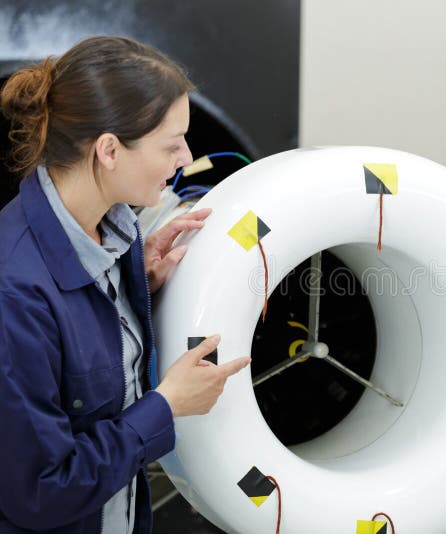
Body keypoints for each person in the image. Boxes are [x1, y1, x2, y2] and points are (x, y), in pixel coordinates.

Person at [0, 36, 251, 533]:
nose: (187, 157)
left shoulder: (114, 236)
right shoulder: (15, 294)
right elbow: (41, 493)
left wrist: (138, 280)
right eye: (171, 142)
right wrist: (167, 406)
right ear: (109, 149)